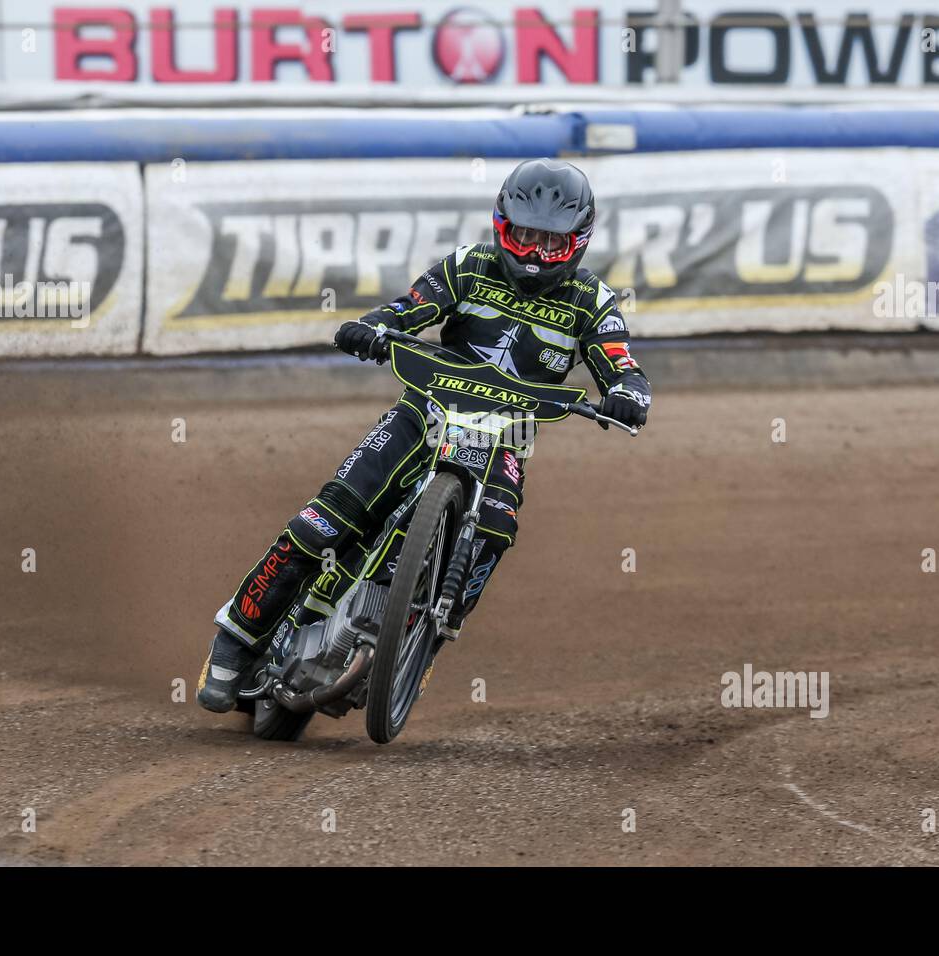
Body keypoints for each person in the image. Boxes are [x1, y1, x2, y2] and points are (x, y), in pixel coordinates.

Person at [198, 158, 652, 712]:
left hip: (505, 440)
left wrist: (629, 394)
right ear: (501, 225)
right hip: (422, 414)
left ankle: (426, 635)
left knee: (497, 526)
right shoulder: (470, 265)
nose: (532, 253)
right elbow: (411, 307)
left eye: (549, 242)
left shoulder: (594, 301)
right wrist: (374, 327)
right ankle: (235, 640)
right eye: (523, 234)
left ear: (577, 242)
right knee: (322, 523)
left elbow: (622, 363)